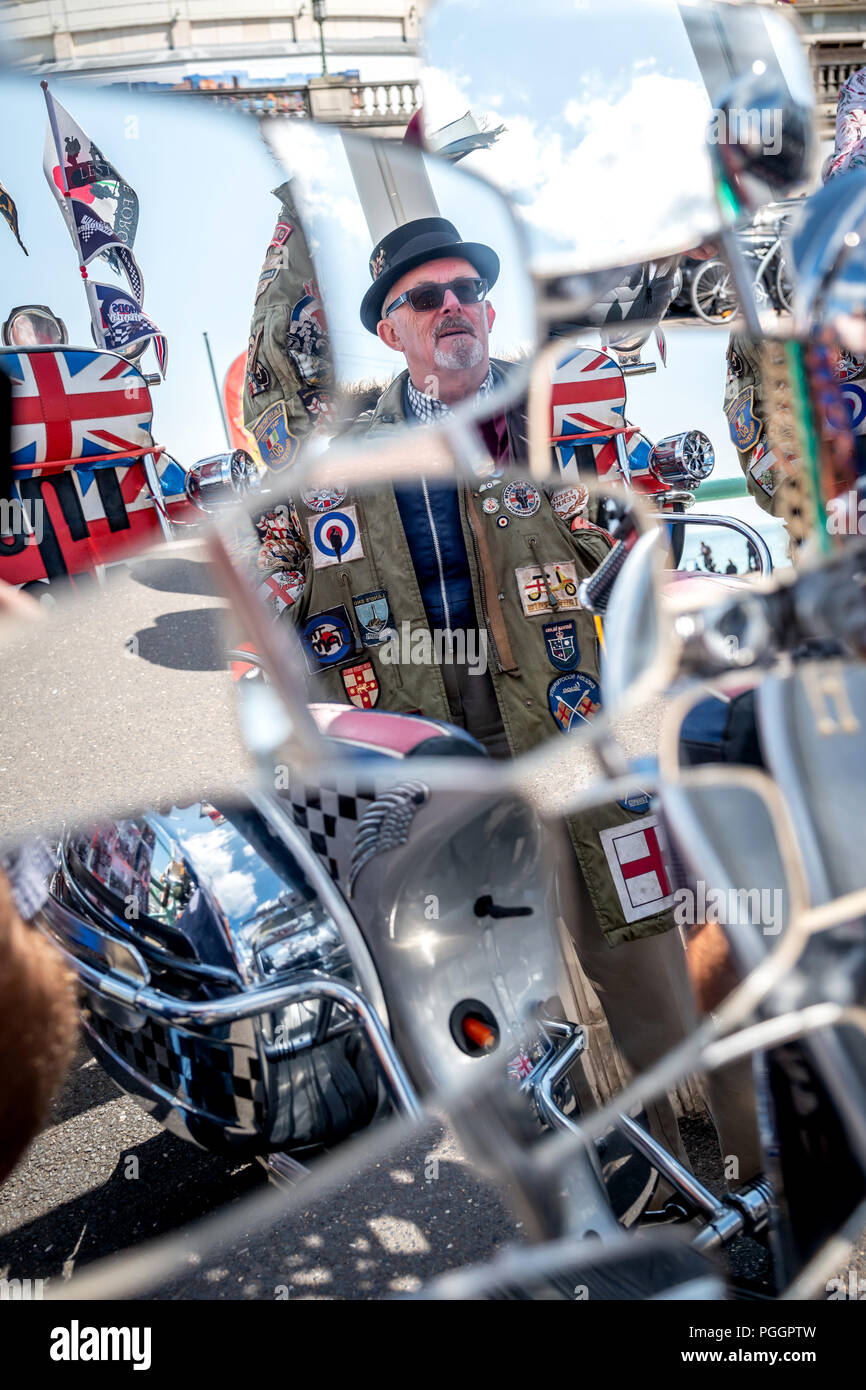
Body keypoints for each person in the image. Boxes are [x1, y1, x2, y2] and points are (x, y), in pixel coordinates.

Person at [246, 214, 762, 1188]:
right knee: (487, 991)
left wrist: (658, 488)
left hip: (568, 739)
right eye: (425, 297)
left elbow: (622, 523)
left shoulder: (545, 415)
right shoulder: (336, 455)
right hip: (427, 772)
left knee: (640, 959)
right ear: (390, 328)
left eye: (466, 291)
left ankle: (740, 1176)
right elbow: (274, 590)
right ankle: (593, 1193)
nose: (454, 308)